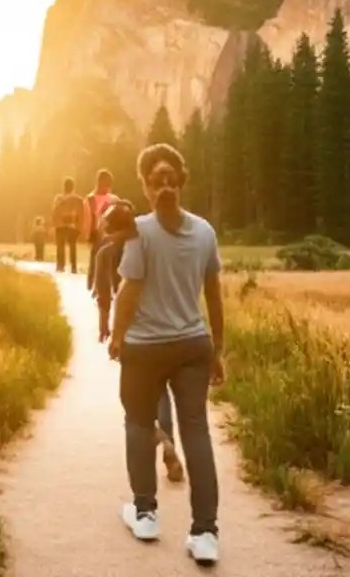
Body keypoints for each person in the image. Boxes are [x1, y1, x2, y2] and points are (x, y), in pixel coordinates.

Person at [108, 143, 225, 565]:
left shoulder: (139, 230)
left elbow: (129, 290)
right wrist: (218, 350)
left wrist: (116, 335)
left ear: (146, 186)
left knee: (139, 426)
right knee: (196, 432)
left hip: (145, 350)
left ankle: (145, 513)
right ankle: (206, 533)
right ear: (180, 181)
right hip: (194, 346)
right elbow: (213, 294)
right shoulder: (205, 232)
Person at [91, 200, 185, 484]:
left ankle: (157, 437)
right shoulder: (154, 246)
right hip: (166, 329)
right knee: (162, 394)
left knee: (132, 399)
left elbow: (107, 295)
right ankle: (169, 447)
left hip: (135, 334)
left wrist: (107, 329)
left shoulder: (106, 253)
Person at [84, 168, 119, 291]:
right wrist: (88, 234)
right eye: (105, 184)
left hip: (110, 233)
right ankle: (91, 285)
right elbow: (88, 217)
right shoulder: (90, 198)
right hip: (96, 233)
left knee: (112, 260)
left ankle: (113, 286)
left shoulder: (113, 199)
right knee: (95, 259)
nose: (107, 187)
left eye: (108, 185)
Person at [51, 177, 83, 273]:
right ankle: (73, 266)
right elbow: (81, 213)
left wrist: (54, 223)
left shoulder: (59, 198)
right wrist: (80, 226)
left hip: (60, 225)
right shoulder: (77, 199)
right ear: (73, 187)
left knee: (60, 245)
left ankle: (60, 265)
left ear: (63, 187)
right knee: (72, 246)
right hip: (72, 224)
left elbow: (54, 212)